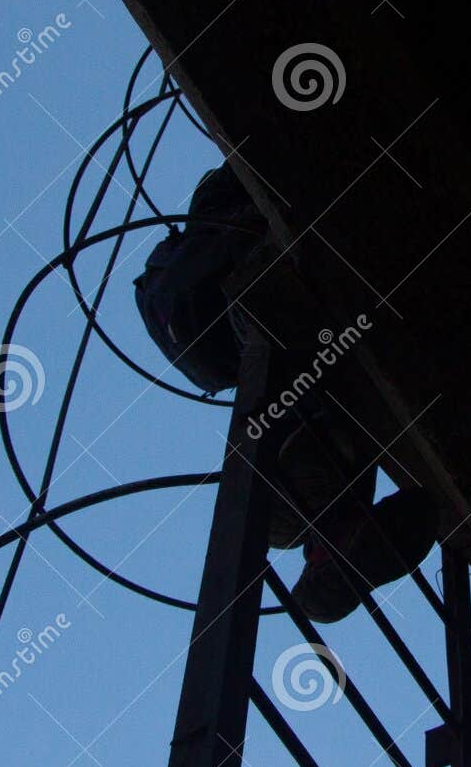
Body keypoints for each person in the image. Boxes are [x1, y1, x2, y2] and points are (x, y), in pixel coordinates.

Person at [135, 163, 436, 623]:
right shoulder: (290, 521)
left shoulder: (306, 513)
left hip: (278, 339)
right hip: (267, 325)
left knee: (265, 274)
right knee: (260, 216)